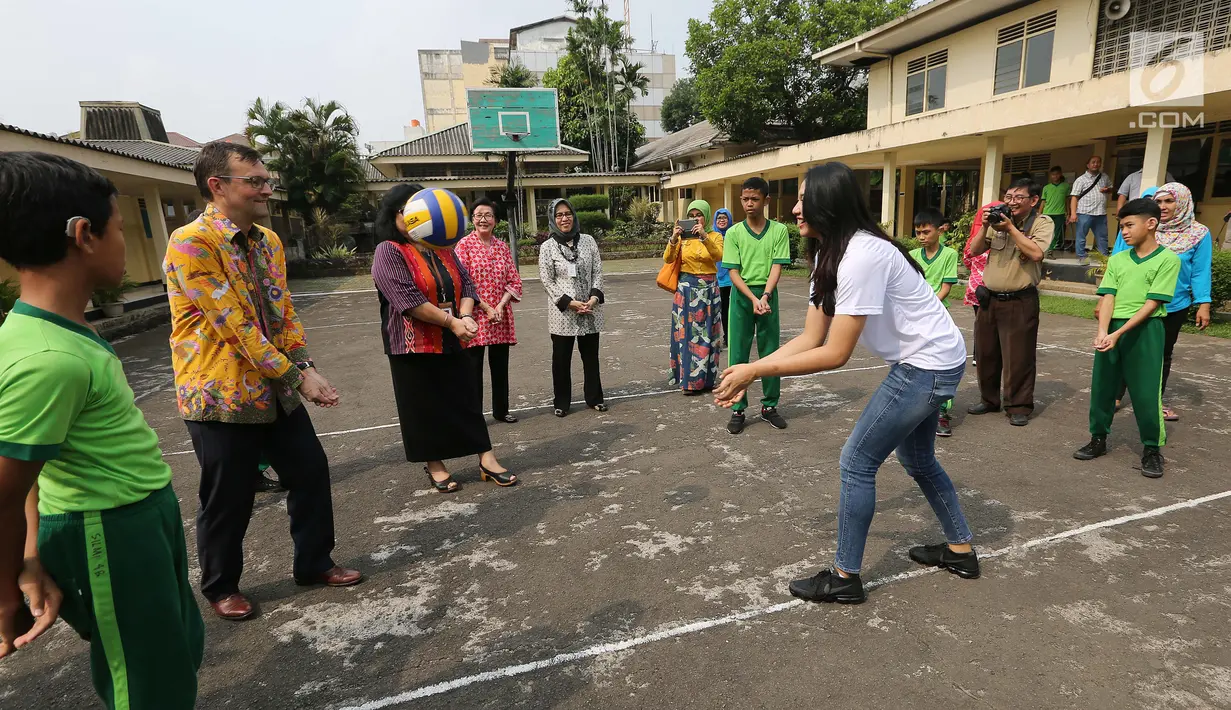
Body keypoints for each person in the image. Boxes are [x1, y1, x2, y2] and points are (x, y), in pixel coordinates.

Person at [715, 162, 977, 604]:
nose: (795, 209)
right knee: (918, 461)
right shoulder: (830, 252)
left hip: (927, 365)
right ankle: (960, 550)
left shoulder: (862, 255)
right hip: (930, 359)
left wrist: (754, 370)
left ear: (829, 204)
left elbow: (835, 354)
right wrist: (749, 371)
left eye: (803, 199)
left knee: (857, 461)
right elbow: (810, 337)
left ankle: (844, 577)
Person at [0, 152, 204, 707]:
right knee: (144, 683)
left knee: (175, 650)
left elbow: (41, 459)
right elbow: (6, 490)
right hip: (105, 532)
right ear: (83, 234)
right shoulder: (47, 359)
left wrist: (33, 554)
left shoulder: (66, 328)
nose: (129, 241)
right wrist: (11, 585)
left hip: (135, 515)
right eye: (122, 228)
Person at [164, 142, 361, 621]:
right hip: (220, 392)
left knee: (309, 471)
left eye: (266, 180)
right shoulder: (191, 243)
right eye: (254, 181)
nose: (266, 189)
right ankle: (220, 585)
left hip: (275, 386)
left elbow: (282, 313)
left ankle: (314, 562)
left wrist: (304, 367)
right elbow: (235, 327)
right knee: (228, 494)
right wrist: (298, 376)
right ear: (217, 186)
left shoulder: (268, 242)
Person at [371, 185, 517, 493]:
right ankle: (434, 464)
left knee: (466, 399)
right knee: (421, 406)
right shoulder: (389, 251)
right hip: (411, 344)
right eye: (408, 212)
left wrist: (465, 317)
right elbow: (406, 300)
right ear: (395, 216)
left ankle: (486, 459)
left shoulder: (442, 248)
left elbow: (467, 285)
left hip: (452, 338)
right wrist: (453, 322)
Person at [1074, 198, 1181, 479]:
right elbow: (1108, 295)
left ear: (1151, 223)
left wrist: (1118, 333)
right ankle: (1098, 438)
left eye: (1129, 225)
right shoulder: (1119, 259)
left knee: (1146, 392)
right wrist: (1102, 332)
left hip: (1145, 330)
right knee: (1103, 388)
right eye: (1121, 226)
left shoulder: (1168, 260)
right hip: (1112, 329)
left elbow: (1152, 304)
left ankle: (1152, 449)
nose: (1124, 231)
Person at [1109, 183, 1214, 421]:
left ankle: (1153, 400)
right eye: (1159, 201)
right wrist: (1108, 298)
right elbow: (1118, 262)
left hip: (1173, 305)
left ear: (1183, 203)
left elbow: (1200, 270)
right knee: (1125, 346)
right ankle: (1116, 394)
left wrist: (1203, 303)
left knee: (1161, 353)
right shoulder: (1140, 227)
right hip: (1133, 302)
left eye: (1169, 201)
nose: (1163, 206)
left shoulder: (1198, 233)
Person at [967, 178, 1054, 427]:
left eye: (1018, 198)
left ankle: (1018, 405)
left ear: (1034, 200)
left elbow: (1036, 253)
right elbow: (973, 250)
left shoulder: (1041, 222)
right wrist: (984, 227)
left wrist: (1012, 230)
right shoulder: (997, 220)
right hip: (989, 298)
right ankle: (989, 399)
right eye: (1009, 197)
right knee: (986, 353)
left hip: (1019, 300)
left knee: (1019, 356)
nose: (1012, 202)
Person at [721, 177, 792, 434]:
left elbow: (777, 265)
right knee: (738, 352)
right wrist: (753, 298)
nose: (749, 204)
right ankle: (738, 408)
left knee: (771, 352)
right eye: (745, 199)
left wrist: (765, 296)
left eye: (754, 199)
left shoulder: (778, 231)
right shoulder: (734, 233)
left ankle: (769, 406)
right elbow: (733, 272)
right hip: (742, 296)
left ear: (766, 200)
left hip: (768, 294)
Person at [455, 198, 524, 424]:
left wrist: (501, 305)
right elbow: (462, 282)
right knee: (473, 368)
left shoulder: (502, 247)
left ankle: (501, 410)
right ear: (472, 220)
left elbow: (514, 280)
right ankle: (474, 414)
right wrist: (485, 306)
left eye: (488, 215)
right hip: (474, 315)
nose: (483, 219)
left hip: (499, 316)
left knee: (500, 365)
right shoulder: (463, 246)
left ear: (495, 220)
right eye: (479, 215)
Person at [539, 198, 607, 417]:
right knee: (561, 359)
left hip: (589, 309)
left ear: (574, 216)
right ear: (553, 219)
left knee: (590, 357)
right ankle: (561, 402)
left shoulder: (588, 241)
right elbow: (547, 281)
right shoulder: (548, 247)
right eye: (559, 215)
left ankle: (594, 398)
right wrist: (570, 303)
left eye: (567, 214)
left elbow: (597, 271)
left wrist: (592, 300)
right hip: (563, 314)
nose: (564, 218)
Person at [666, 200, 725, 394]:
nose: (694, 219)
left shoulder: (715, 236)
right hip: (686, 290)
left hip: (709, 290)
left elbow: (718, 256)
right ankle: (688, 381)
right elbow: (668, 258)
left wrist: (704, 237)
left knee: (709, 335)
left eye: (698, 215)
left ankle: (707, 380)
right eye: (691, 216)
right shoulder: (683, 238)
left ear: (706, 217)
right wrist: (674, 238)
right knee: (686, 336)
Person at [910, 208, 960, 437]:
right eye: (918, 232)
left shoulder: (949, 254)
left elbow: (946, 287)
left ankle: (942, 412)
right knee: (916, 361)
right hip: (915, 316)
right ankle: (916, 410)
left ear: (940, 231)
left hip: (938, 315)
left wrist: (930, 306)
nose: (921, 237)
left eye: (926, 232)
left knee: (941, 362)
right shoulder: (912, 255)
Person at [963, 202, 997, 369]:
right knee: (993, 324)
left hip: (976, 286)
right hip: (990, 287)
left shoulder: (975, 238)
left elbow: (967, 260)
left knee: (980, 322)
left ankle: (978, 355)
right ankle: (988, 354)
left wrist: (976, 270)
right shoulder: (995, 240)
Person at [1068, 156, 1115, 264]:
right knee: (1081, 236)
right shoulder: (1080, 180)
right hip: (1084, 212)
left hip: (1100, 213)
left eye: (1098, 162)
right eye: (1093, 162)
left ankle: (1104, 257)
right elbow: (1074, 197)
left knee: (1102, 237)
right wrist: (1073, 214)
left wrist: (1108, 190)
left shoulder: (1104, 177)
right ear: (1088, 165)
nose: (1096, 164)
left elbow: (1112, 189)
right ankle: (1082, 256)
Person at [1040, 166, 1071, 256]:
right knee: (1045, 232)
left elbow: (1067, 200)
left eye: (1057, 174)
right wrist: (1039, 213)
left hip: (1059, 214)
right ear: (1050, 176)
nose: (1055, 176)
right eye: (1053, 174)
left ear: (1060, 174)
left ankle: (1050, 251)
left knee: (1056, 234)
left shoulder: (1066, 186)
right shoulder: (1046, 187)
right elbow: (1043, 201)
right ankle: (1042, 249)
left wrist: (1068, 213)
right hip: (1047, 213)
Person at [713, 208, 735, 327]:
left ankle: (730, 336)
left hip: (732, 279)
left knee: (731, 310)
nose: (722, 220)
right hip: (716, 279)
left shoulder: (734, 235)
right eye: (719, 218)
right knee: (718, 310)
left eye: (724, 218)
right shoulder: (711, 236)